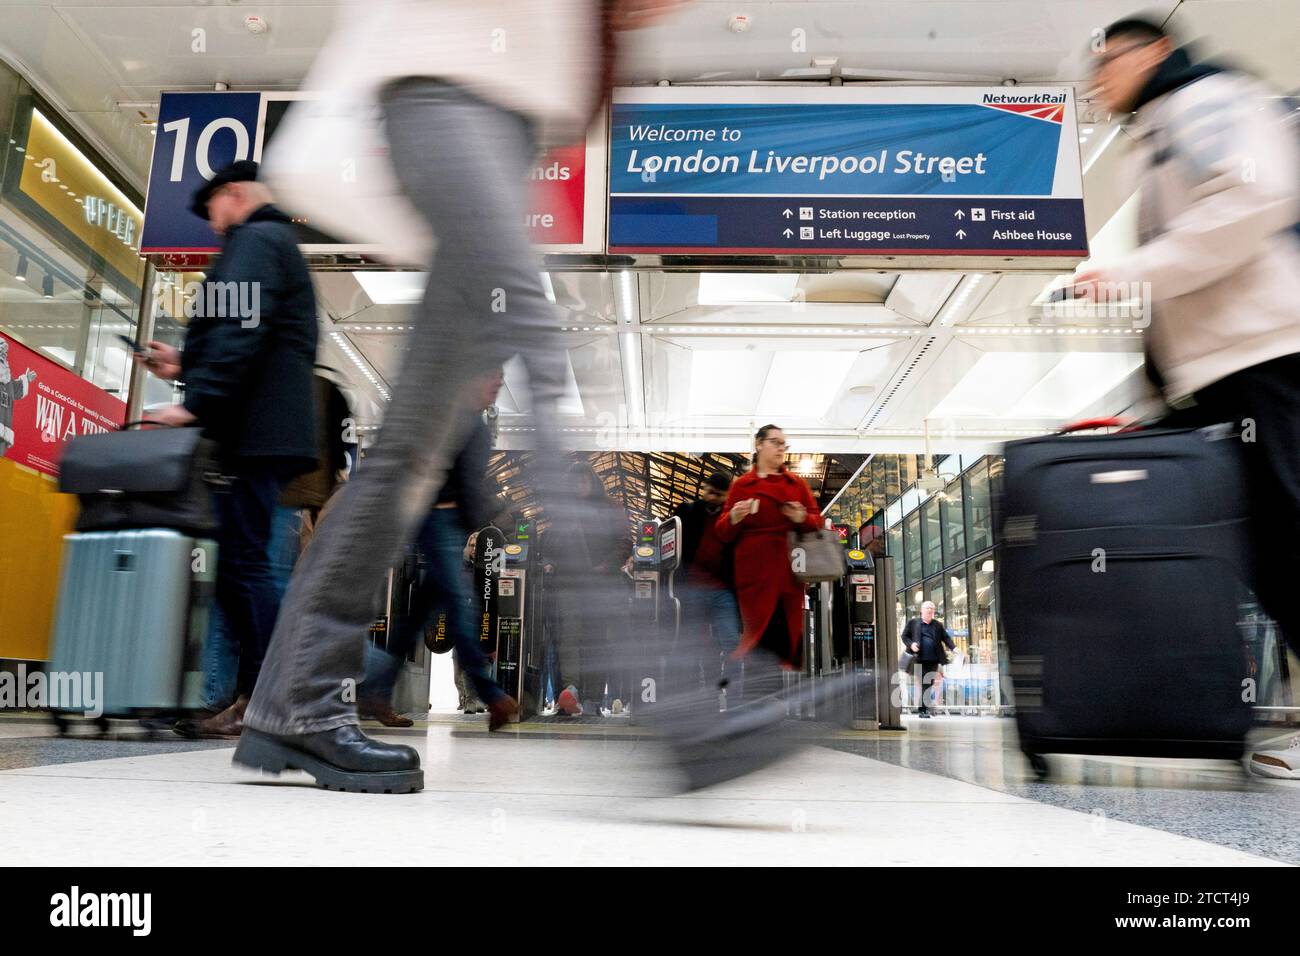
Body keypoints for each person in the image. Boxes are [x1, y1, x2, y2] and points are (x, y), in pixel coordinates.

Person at [232, 1, 682, 794]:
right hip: (443, 101)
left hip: (494, 133)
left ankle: (292, 704)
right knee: (538, 334)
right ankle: (670, 702)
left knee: (407, 452)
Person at [1072, 17, 1300, 776]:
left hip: (1264, 356)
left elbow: (1251, 198)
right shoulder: (1163, 126)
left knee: (1287, 535)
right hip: (1222, 373)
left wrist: (1136, 270)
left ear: (1155, 54)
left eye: (1110, 63)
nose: (1100, 79)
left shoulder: (1204, 101)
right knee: (1263, 546)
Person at [138, 159, 319, 739]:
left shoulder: (256, 238)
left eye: (213, 211)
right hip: (263, 429)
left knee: (245, 566)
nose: (213, 226)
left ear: (234, 195)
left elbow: (242, 331)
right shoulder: (270, 241)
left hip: (256, 432)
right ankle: (262, 695)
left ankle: (272, 698)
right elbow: (249, 332)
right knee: (243, 564)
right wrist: (184, 364)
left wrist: (198, 402)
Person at [358, 370, 512, 730]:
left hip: (452, 523)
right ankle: (492, 695)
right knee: (459, 605)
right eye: (492, 376)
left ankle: (377, 691)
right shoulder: (452, 417)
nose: (497, 384)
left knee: (415, 618)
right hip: (437, 518)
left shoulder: (474, 422)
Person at [714, 425, 823, 701]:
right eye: (775, 442)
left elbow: (817, 523)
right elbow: (722, 532)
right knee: (752, 638)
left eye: (784, 444)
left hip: (786, 574)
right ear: (759, 444)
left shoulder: (796, 485)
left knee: (777, 641)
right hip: (751, 577)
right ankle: (751, 701)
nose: (780, 449)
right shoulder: (741, 485)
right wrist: (735, 518)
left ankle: (766, 704)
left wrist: (801, 519)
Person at [544, 461, 632, 716]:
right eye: (574, 482)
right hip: (570, 581)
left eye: (583, 480)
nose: (579, 485)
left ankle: (592, 698)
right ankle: (571, 690)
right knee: (569, 635)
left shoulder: (612, 508)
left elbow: (625, 541)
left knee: (597, 640)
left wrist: (605, 567)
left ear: (593, 481)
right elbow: (549, 543)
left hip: (601, 584)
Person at [673, 470, 740, 697]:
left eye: (718, 494)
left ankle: (731, 690)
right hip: (693, 588)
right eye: (708, 492)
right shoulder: (688, 512)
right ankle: (701, 692)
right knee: (695, 644)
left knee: (731, 641)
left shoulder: (734, 518)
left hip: (723, 590)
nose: (711, 497)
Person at [901, 601, 954, 718]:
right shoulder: (913, 623)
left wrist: (954, 648)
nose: (930, 610)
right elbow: (904, 636)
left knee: (928, 684)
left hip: (933, 660)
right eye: (927, 608)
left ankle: (925, 708)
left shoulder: (937, 625)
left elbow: (946, 638)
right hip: (918, 659)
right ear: (922, 610)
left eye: (932, 609)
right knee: (925, 684)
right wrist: (911, 645)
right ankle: (923, 710)